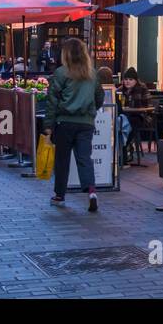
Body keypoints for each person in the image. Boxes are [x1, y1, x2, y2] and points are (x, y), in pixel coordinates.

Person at [45, 38, 104, 211]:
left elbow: (52, 101)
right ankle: (91, 191)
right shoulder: (92, 73)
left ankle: (59, 195)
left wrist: (48, 125)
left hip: (65, 121)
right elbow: (99, 97)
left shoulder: (62, 73)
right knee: (84, 158)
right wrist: (90, 110)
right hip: (86, 123)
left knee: (62, 160)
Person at [121, 67, 154, 154]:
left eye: (130, 79)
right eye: (126, 79)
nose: (127, 81)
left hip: (143, 117)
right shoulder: (122, 90)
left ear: (136, 80)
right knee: (121, 121)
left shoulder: (141, 88)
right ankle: (123, 148)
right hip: (128, 116)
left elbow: (138, 106)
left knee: (129, 122)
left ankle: (124, 148)